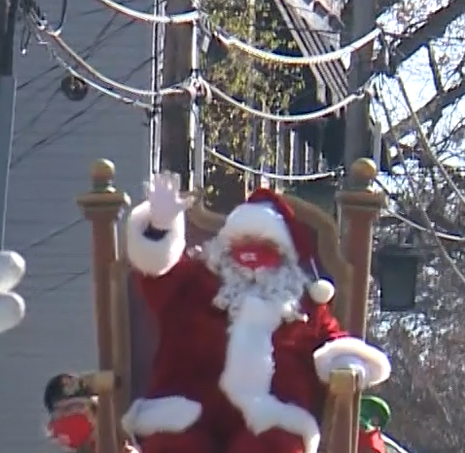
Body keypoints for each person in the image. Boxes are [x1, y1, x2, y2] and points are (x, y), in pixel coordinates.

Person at [119, 173, 391, 453]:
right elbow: (155, 276)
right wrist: (158, 228)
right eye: (242, 245)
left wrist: (346, 362)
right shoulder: (194, 283)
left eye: (264, 248)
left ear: (284, 255)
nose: (251, 259)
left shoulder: (303, 304)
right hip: (188, 413)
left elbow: (332, 340)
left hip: (272, 419)